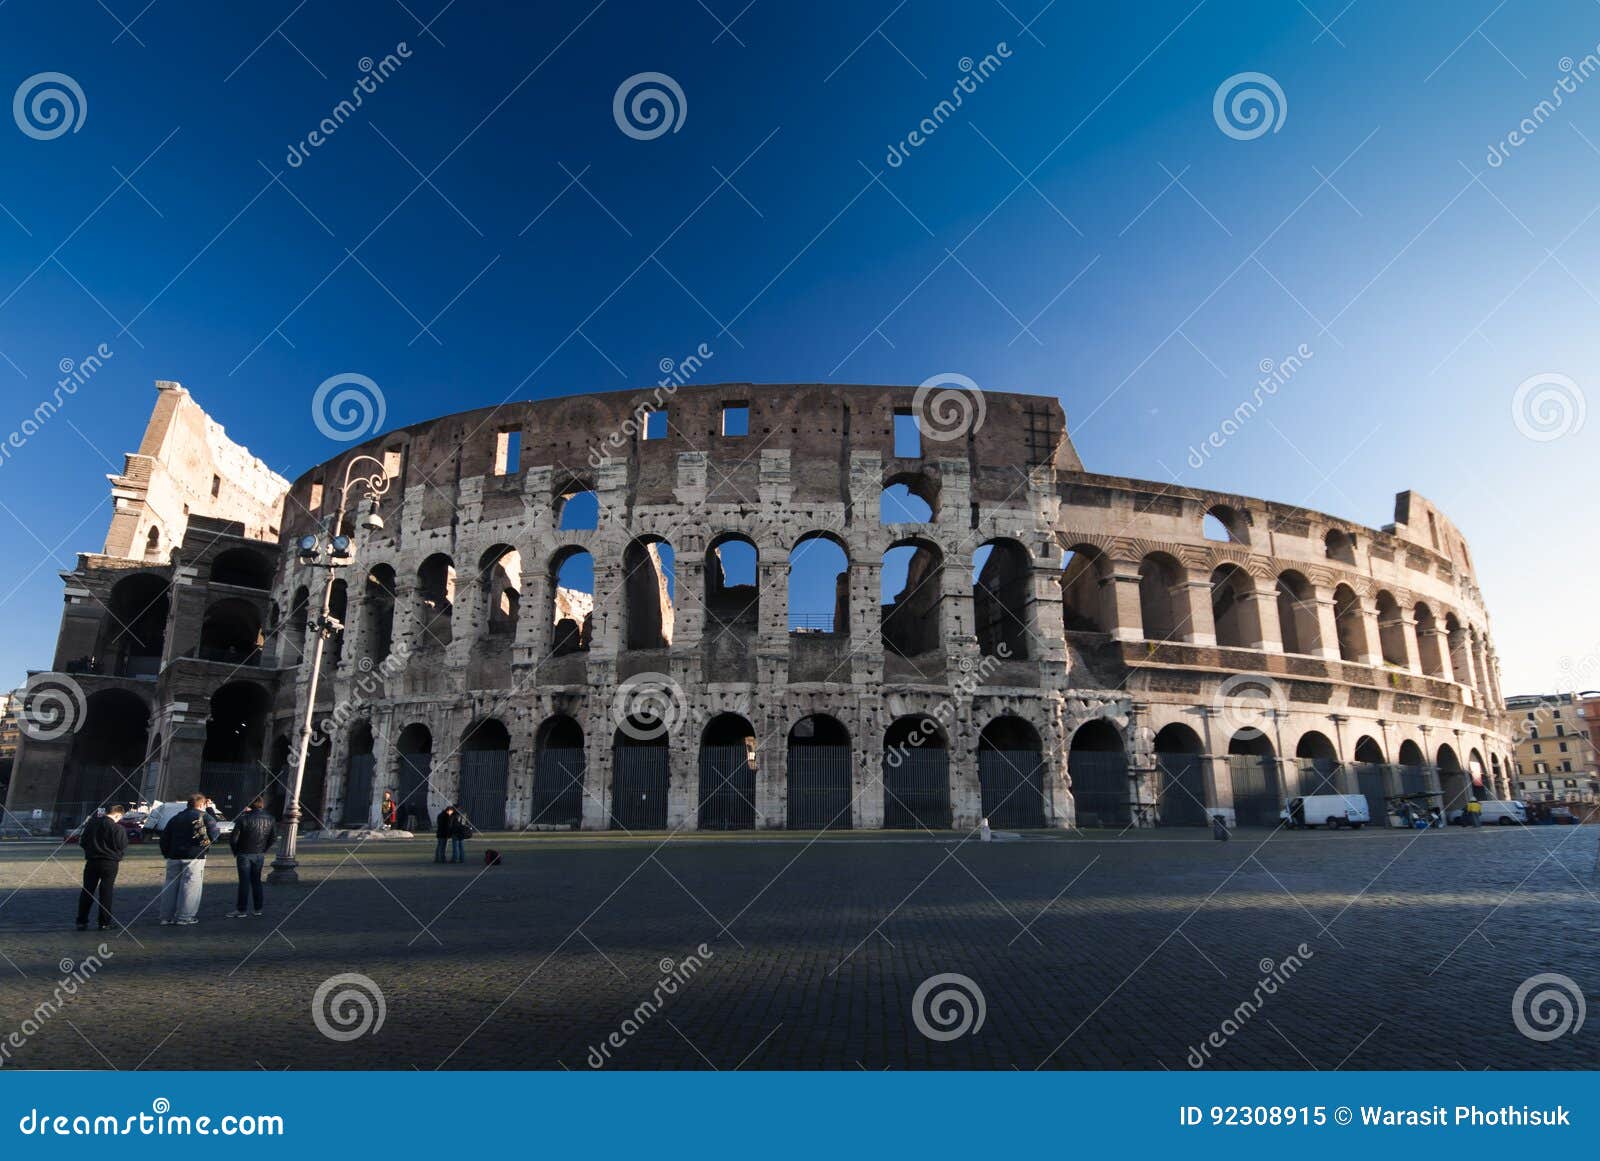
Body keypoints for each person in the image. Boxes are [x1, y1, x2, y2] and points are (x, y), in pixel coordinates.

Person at [158, 793, 218, 926]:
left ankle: (165, 917)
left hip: (174, 855)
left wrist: (167, 853)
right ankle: (184, 917)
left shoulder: (175, 818)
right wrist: (210, 810)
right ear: (202, 804)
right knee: (191, 886)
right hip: (194, 855)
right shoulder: (205, 817)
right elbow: (215, 835)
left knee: (170, 885)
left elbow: (164, 838)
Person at [76, 805, 129, 931]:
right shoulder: (117, 828)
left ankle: (81, 921)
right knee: (106, 892)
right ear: (118, 815)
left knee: (87, 891)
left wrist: (90, 851)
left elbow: (83, 841)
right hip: (109, 863)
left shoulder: (91, 824)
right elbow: (122, 845)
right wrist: (117, 855)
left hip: (92, 861)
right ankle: (104, 922)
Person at [227, 796, 277, 918]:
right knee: (257, 881)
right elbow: (273, 838)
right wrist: (264, 849)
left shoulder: (243, 819)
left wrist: (236, 852)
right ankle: (258, 908)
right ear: (262, 805)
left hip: (244, 853)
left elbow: (233, 839)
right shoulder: (270, 819)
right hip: (259, 853)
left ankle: (241, 909)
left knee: (244, 882)